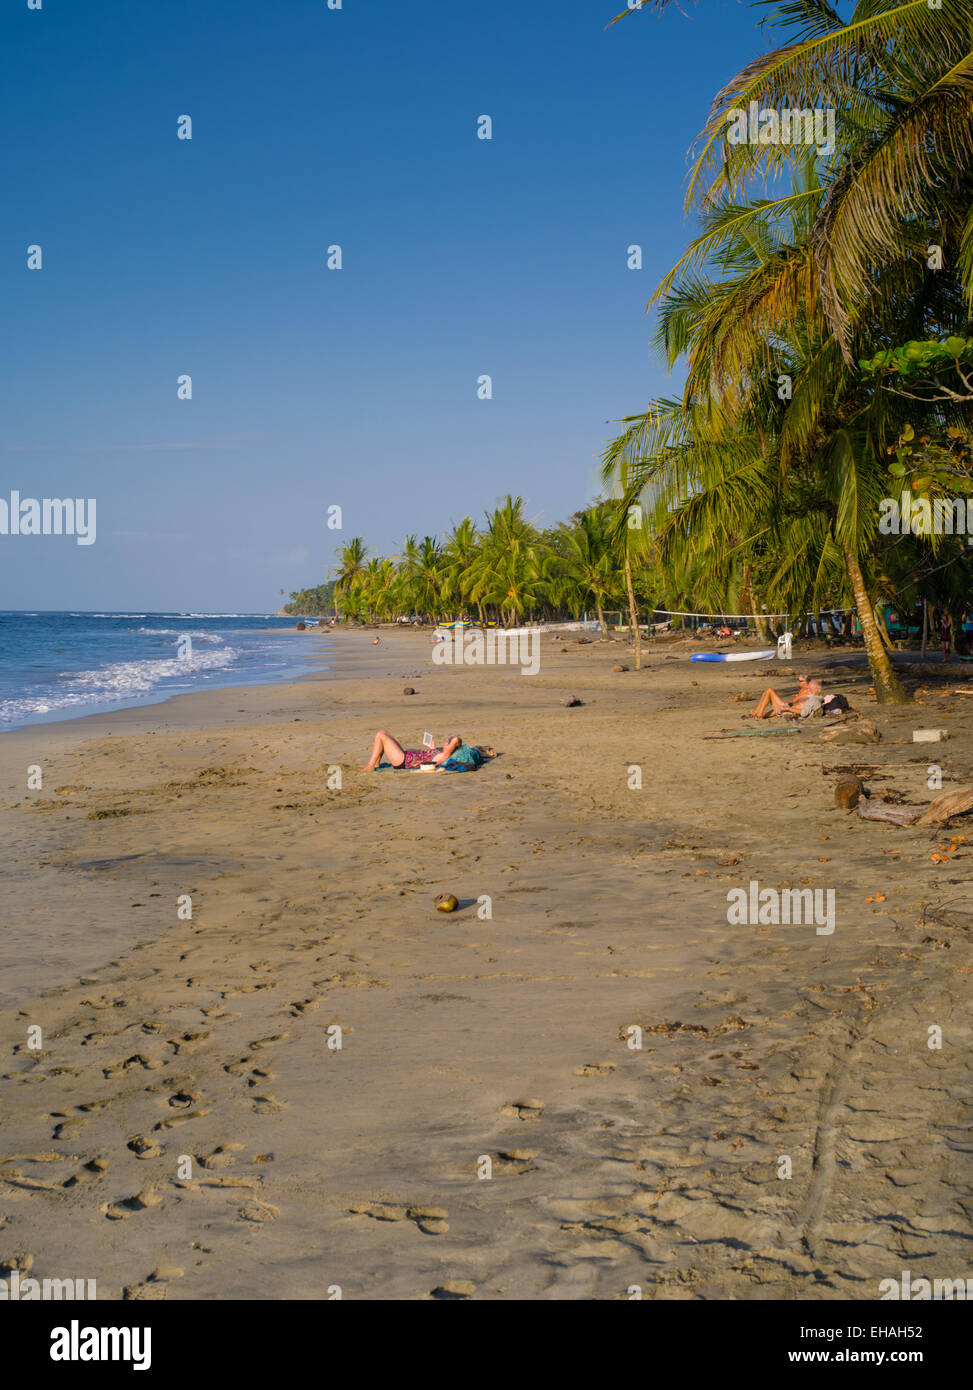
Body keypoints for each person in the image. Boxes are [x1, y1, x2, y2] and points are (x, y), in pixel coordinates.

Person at [362, 730, 462, 772]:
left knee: (381, 735)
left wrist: (455, 741)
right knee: (383, 732)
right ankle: (376, 764)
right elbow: (432, 757)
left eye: (447, 743)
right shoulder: (440, 754)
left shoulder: (444, 755)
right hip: (405, 755)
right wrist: (432, 748)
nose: (445, 744)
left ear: (450, 747)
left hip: (404, 761)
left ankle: (371, 765)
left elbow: (455, 741)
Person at [750, 675, 822, 719]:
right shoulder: (808, 693)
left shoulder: (810, 695)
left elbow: (802, 709)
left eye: (800, 681)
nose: (798, 682)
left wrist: (787, 707)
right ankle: (757, 712)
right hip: (789, 707)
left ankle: (759, 714)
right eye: (798, 680)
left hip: (789, 709)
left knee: (769, 690)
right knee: (768, 691)